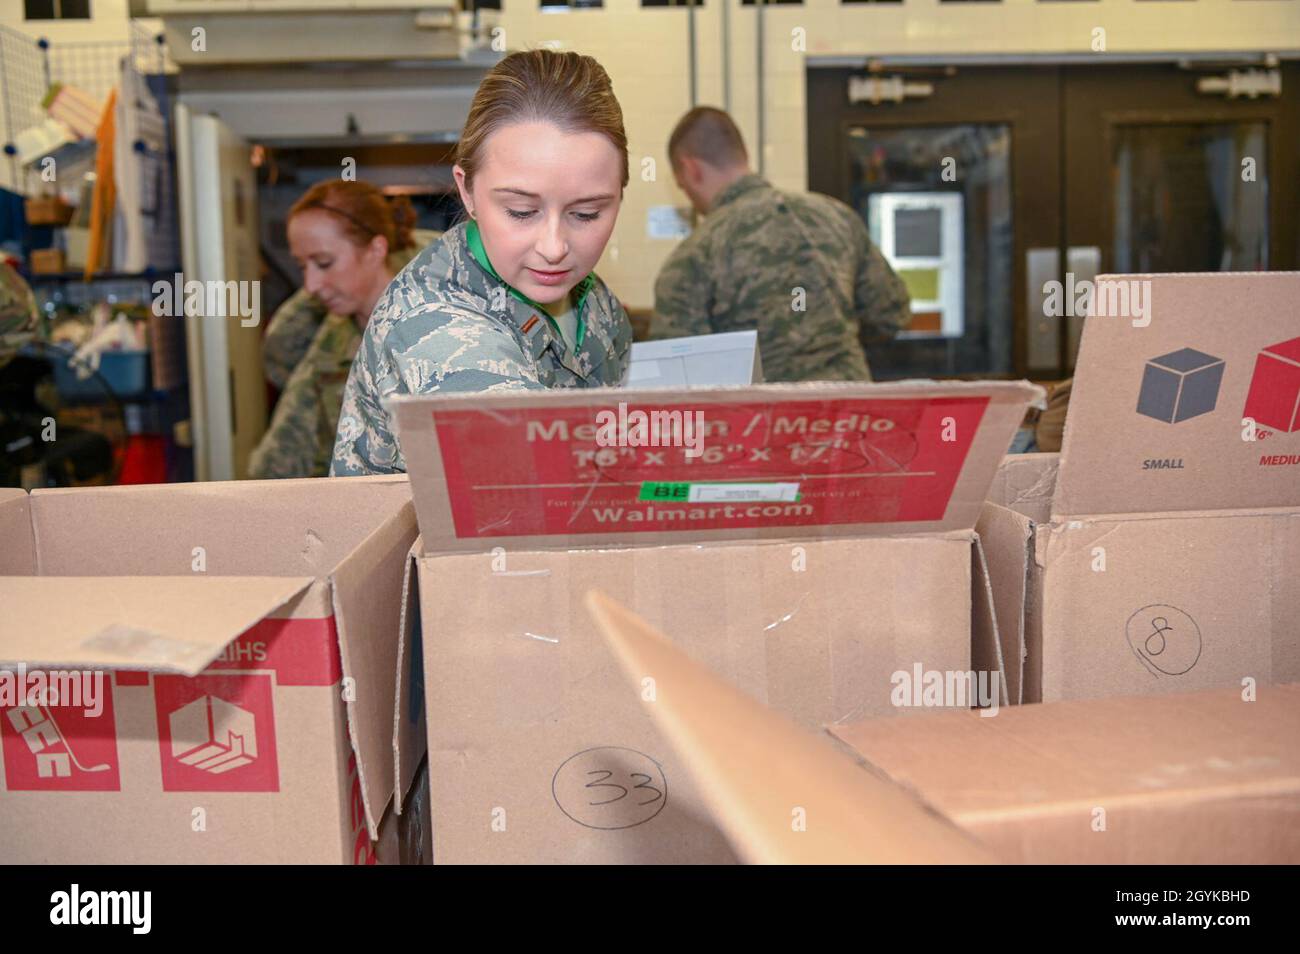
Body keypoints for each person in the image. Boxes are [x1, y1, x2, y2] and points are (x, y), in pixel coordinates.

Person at [331, 49, 632, 477]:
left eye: (586, 214)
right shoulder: (436, 326)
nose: (554, 247)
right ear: (467, 191)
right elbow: (541, 487)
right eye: (521, 211)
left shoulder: (593, 299)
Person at [651, 106, 911, 382]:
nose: (690, 198)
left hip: (761, 419)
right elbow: (892, 314)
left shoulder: (693, 256)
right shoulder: (837, 218)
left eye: (683, 187)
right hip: (851, 414)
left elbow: (676, 376)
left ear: (691, 169)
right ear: (743, 154)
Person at [248, 181, 436, 478]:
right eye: (302, 266)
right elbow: (277, 464)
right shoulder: (327, 348)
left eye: (324, 263)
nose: (310, 286)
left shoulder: (445, 322)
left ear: (375, 250)